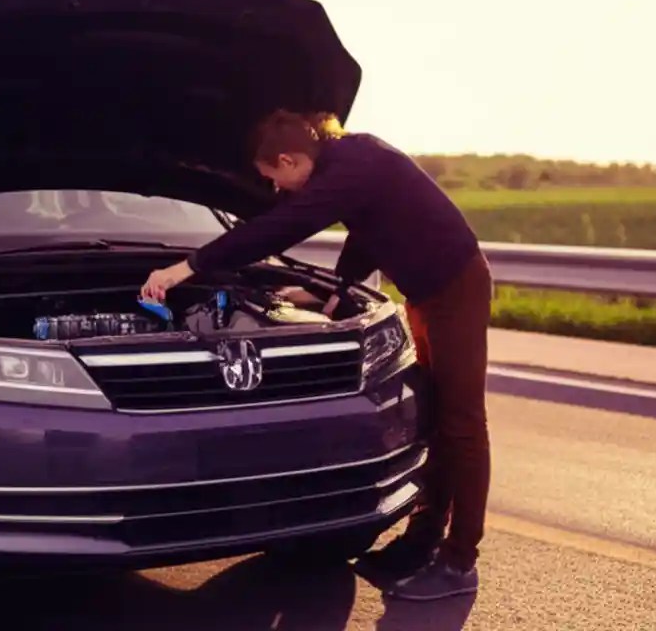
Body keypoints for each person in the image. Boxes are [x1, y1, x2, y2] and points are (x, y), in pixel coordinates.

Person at [140, 109, 493, 601]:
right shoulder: (347, 165)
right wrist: (334, 292)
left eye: (275, 179)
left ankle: (459, 563)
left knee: (462, 425)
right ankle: (421, 540)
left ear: (288, 159)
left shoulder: (354, 162)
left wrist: (189, 266)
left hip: (456, 291)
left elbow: (283, 227)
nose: (279, 191)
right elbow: (370, 228)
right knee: (438, 418)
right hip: (425, 296)